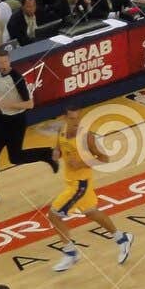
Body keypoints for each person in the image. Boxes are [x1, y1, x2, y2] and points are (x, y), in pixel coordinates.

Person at [46, 107, 136, 272]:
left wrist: (80, 163)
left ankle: (71, 253)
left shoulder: (87, 137)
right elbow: (59, 148)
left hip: (80, 184)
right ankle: (123, 239)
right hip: (71, 181)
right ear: (64, 118)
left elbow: (104, 158)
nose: (77, 123)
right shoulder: (61, 130)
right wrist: (56, 153)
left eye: (78, 119)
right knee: (91, 212)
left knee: (53, 215)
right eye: (73, 119)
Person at [0, 48, 56, 206]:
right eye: (0, 62)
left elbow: (30, 104)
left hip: (16, 121)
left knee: (15, 157)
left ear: (9, 61)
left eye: (5, 61)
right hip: (1, 120)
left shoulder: (17, 78)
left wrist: (9, 104)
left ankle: (48, 154)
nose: (3, 65)